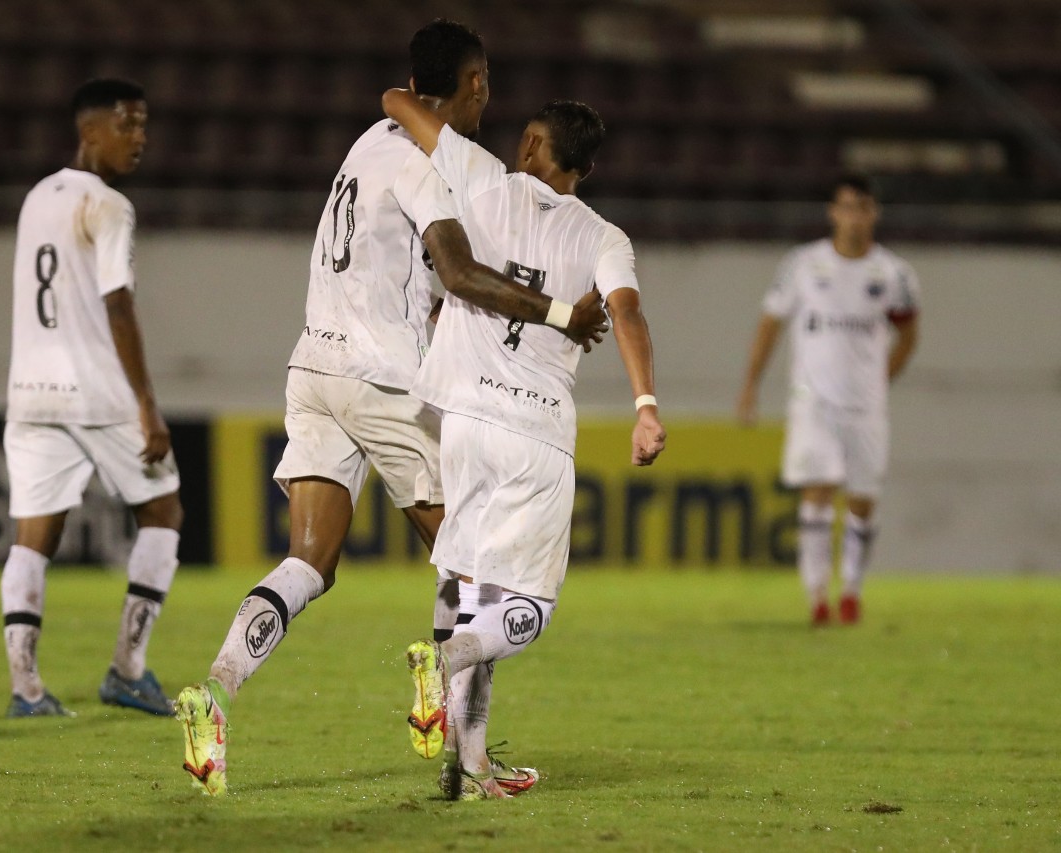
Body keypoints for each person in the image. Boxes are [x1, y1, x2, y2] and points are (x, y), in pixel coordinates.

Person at [174, 20, 608, 797]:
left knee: (310, 559)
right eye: (487, 85)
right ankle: (468, 756)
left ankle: (216, 689)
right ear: (472, 85)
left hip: (313, 365)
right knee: (473, 566)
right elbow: (461, 271)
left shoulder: (367, 142)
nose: (489, 101)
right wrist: (558, 313)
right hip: (387, 379)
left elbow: (411, 270)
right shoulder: (425, 164)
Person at [381, 90, 666, 799]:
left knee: (474, 592)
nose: (519, 147)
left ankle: (472, 765)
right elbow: (626, 312)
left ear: (537, 148)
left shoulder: (479, 181)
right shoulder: (604, 237)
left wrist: (436, 99)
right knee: (525, 610)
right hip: (534, 431)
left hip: (464, 421)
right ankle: (443, 662)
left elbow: (394, 101)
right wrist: (646, 405)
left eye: (528, 140)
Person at [0, 78, 183, 718]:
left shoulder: (37, 197)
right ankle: (127, 670)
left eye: (143, 125)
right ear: (89, 132)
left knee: (33, 537)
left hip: (29, 391)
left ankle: (26, 690)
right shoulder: (109, 205)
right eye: (127, 125)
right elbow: (118, 305)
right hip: (96, 392)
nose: (139, 138)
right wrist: (147, 405)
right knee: (164, 513)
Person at [736, 174, 920, 626]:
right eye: (846, 206)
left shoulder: (893, 274)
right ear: (832, 212)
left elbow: (909, 333)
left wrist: (882, 379)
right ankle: (818, 594)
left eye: (862, 207)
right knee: (817, 491)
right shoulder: (803, 265)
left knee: (861, 500)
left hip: (865, 406)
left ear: (874, 213)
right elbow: (770, 324)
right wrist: (751, 385)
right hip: (813, 401)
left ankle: (852, 588)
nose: (854, 216)